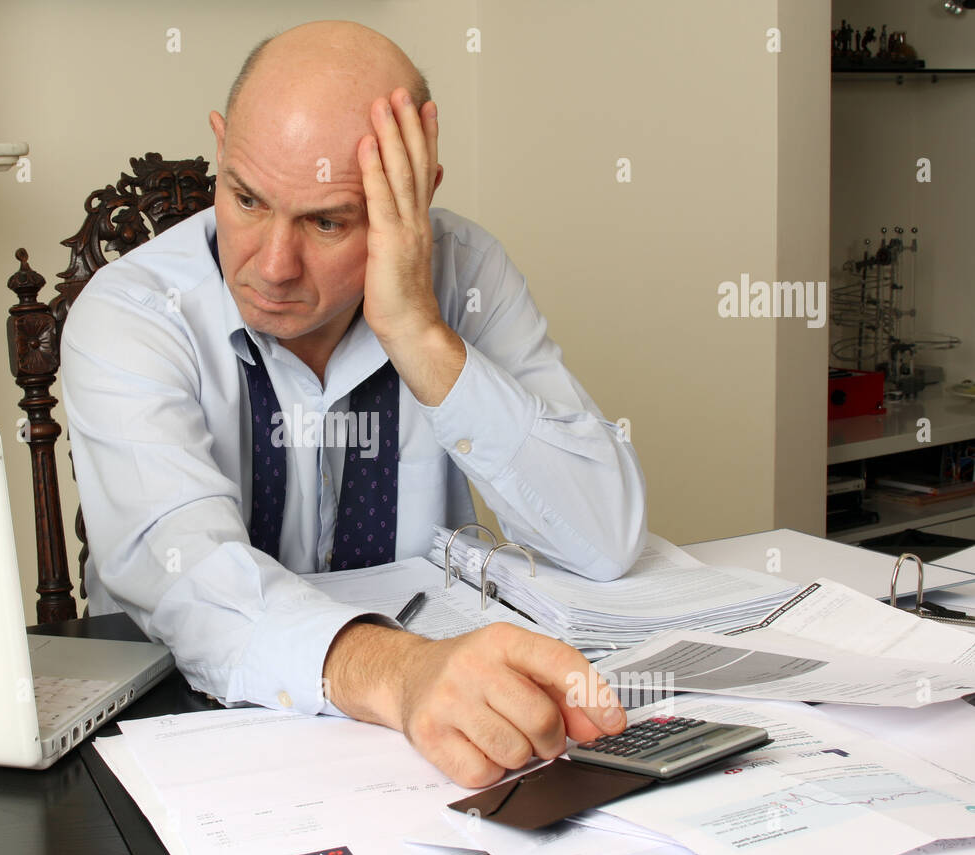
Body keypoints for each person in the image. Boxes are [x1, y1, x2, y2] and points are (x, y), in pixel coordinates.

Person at [61, 20, 648, 788]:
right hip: (185, 729)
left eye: (327, 221)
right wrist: (399, 674)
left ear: (415, 195)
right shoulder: (130, 313)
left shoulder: (466, 273)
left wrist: (417, 331)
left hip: (410, 744)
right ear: (220, 148)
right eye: (246, 198)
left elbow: (603, 537)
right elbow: (185, 576)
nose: (271, 265)